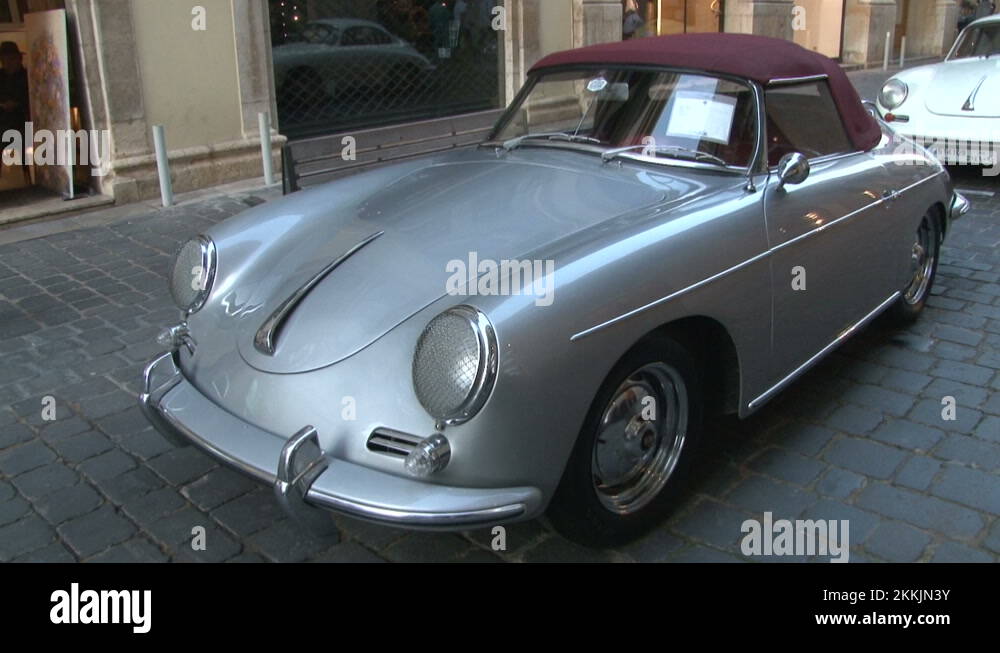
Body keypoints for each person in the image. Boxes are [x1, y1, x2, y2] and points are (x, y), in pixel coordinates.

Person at [0, 40, 29, 180]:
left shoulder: (28, 77)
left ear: (19, 59)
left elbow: (32, 98)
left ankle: (28, 177)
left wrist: (17, 104)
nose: (8, 63)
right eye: (4, 60)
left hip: (22, 122)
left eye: (11, 59)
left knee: (27, 156)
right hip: (3, 122)